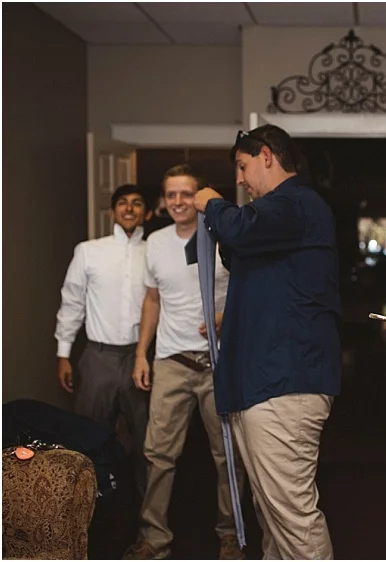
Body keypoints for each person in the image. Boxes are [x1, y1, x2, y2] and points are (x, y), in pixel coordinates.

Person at [193, 125, 341, 560]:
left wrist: (212, 203)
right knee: (272, 513)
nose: (240, 179)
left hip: (285, 384)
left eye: (242, 167)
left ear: (267, 156)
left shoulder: (296, 203)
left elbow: (240, 229)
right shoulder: (276, 219)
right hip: (264, 382)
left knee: (291, 515)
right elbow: (243, 252)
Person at [123, 164, 244, 561]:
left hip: (219, 363)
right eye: (171, 194)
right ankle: (154, 539)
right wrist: (141, 354)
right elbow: (152, 300)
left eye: (186, 194)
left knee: (227, 455)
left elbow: (250, 289)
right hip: (171, 362)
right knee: (157, 455)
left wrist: (227, 317)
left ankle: (230, 534)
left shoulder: (224, 236)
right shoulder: (155, 243)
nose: (178, 202)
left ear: (200, 196)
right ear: (164, 200)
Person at [55, 184, 152, 496]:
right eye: (122, 203)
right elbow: (72, 303)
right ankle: (90, 504)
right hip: (98, 357)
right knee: (89, 435)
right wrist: (63, 354)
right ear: (112, 212)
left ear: (147, 213)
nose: (129, 208)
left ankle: (146, 510)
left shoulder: (155, 253)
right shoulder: (88, 251)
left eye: (137, 203)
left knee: (148, 440)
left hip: (142, 357)